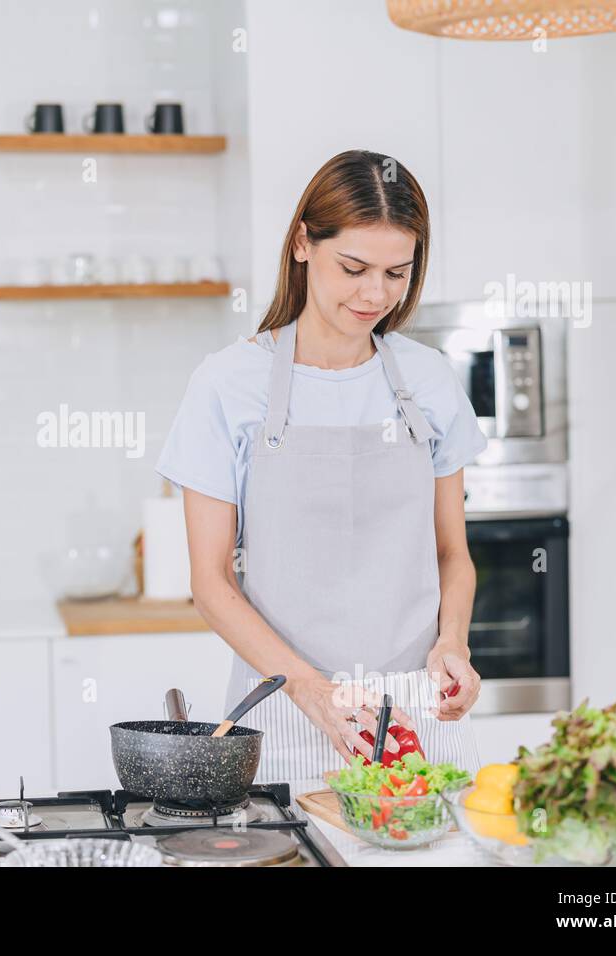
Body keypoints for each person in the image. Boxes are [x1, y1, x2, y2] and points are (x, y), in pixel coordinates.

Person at [156, 149, 488, 782]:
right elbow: (211, 580)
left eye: (397, 273)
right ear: (304, 243)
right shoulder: (228, 384)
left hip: (419, 716)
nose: (376, 294)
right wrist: (310, 690)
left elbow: (452, 555)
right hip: (283, 715)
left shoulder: (429, 380)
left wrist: (452, 644)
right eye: (355, 267)